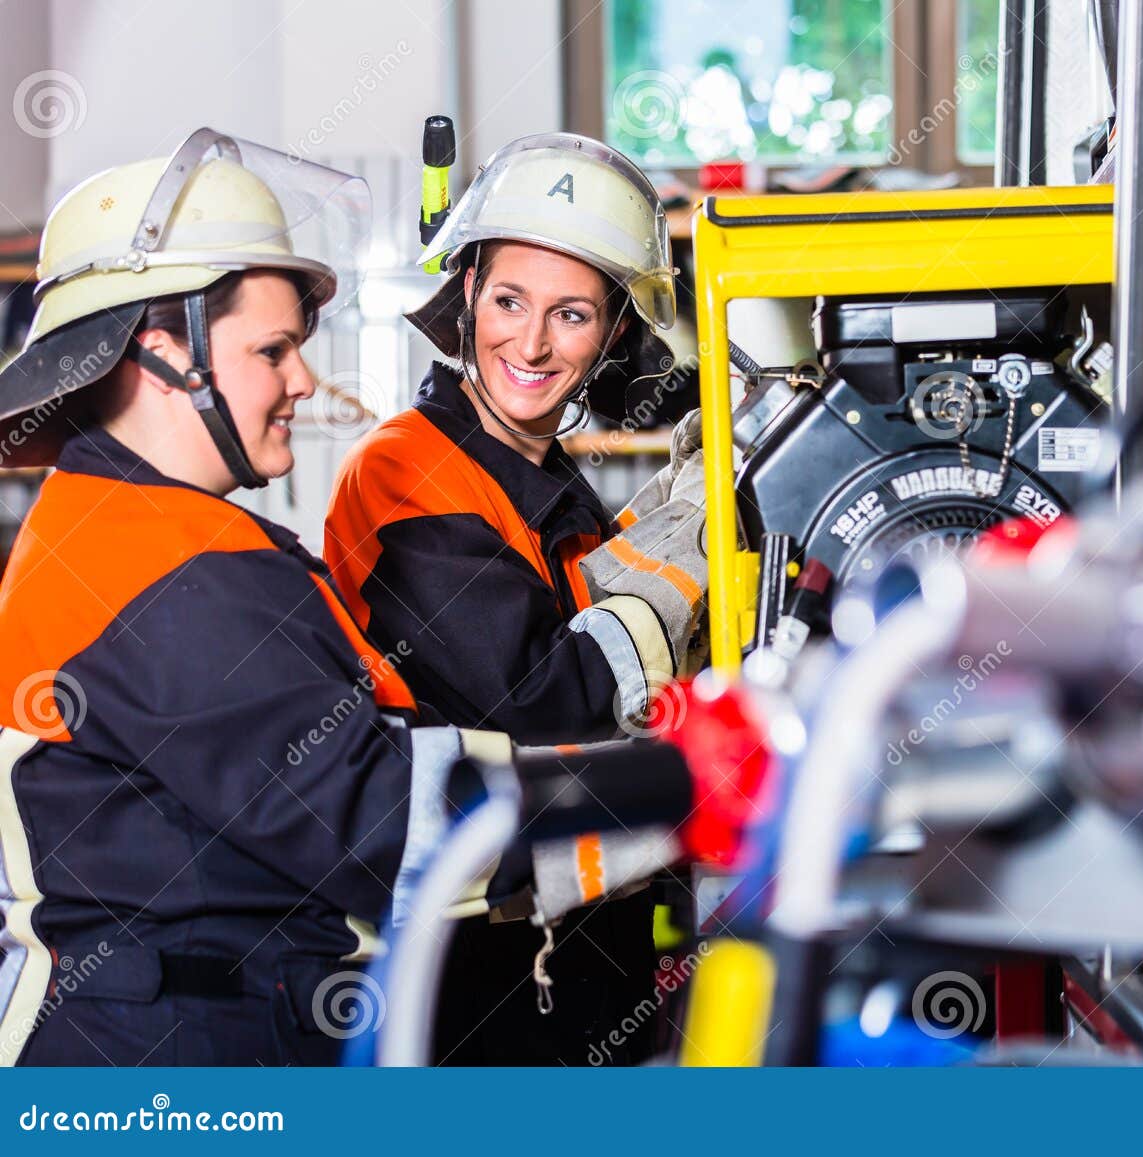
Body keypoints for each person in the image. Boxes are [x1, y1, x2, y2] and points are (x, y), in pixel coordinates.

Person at [0, 129, 721, 1067]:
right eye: (274, 350)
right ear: (161, 350)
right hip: (166, 1062)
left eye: (575, 314)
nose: (306, 381)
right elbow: (389, 820)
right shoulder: (168, 571)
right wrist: (688, 792)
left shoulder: (136, 530)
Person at [324, 132, 711, 1064]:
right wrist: (688, 537)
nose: (530, 344)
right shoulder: (406, 472)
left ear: (616, 330)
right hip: (478, 967)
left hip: (574, 947)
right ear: (466, 297)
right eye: (508, 301)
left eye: (571, 314)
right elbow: (543, 701)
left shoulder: (545, 484)